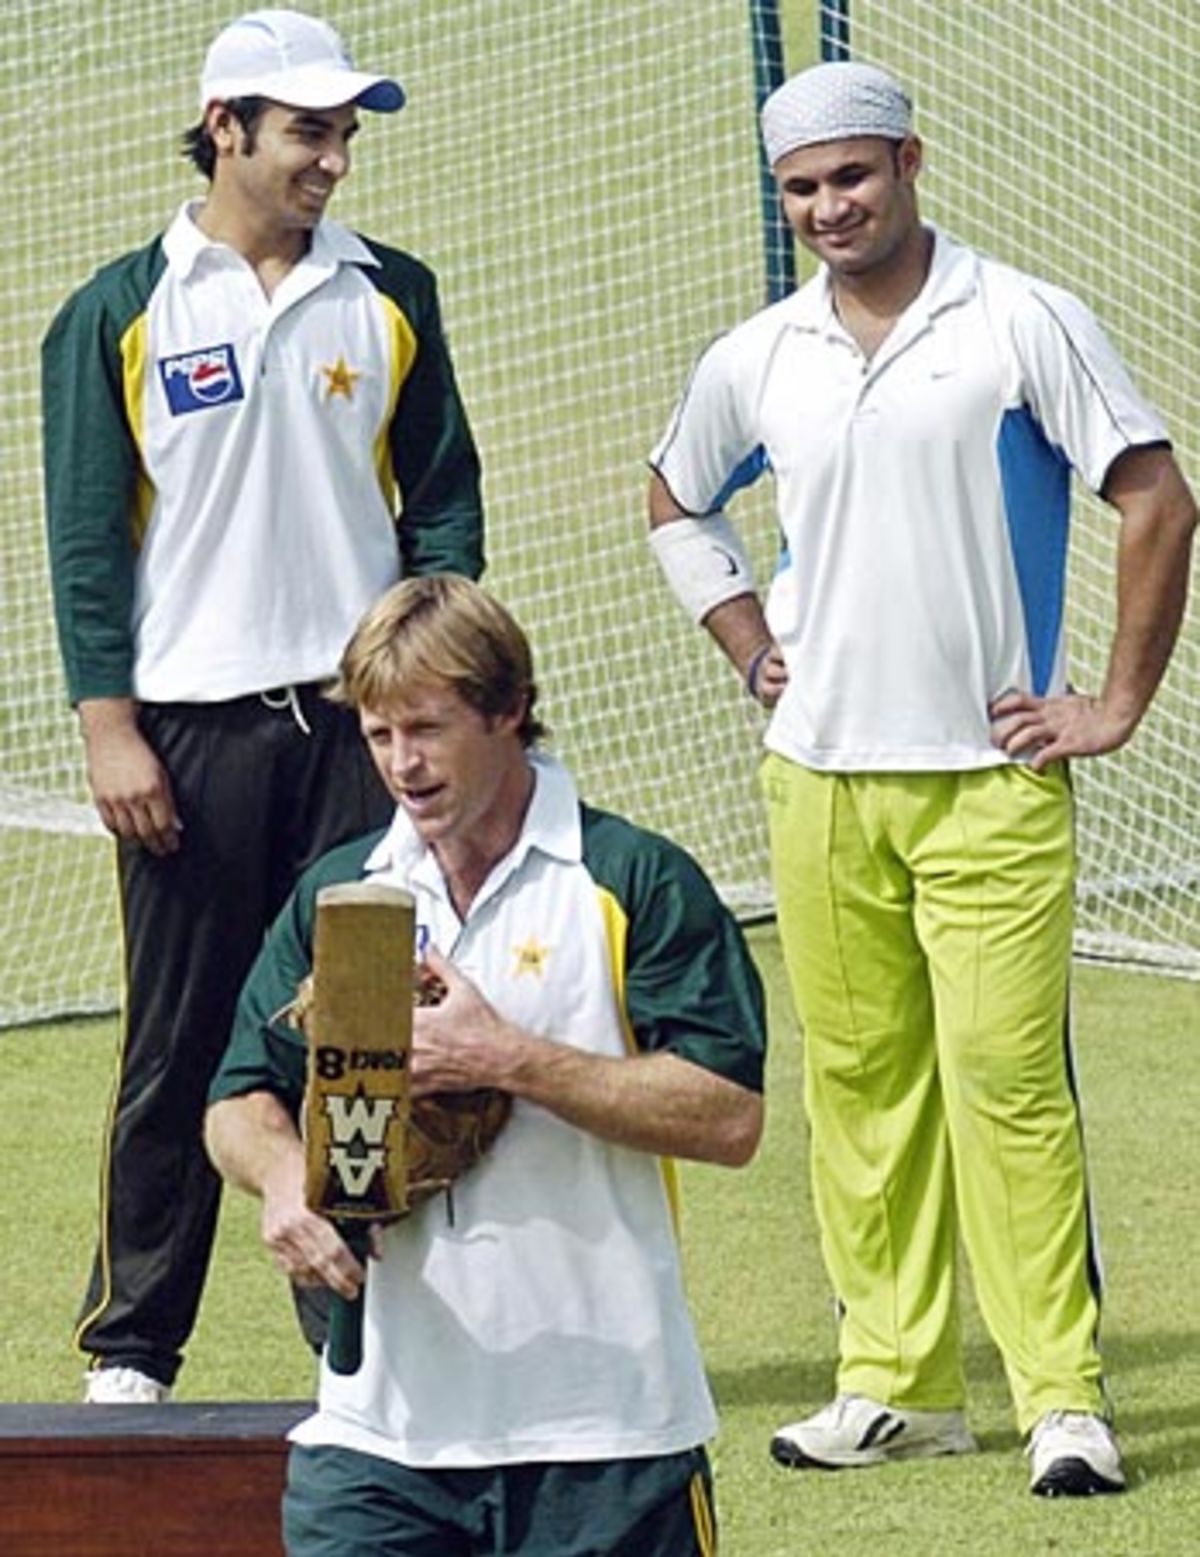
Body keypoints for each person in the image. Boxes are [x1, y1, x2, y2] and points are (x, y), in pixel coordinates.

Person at [647, 60, 1196, 1499]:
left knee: (1009, 1086)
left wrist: (1116, 703)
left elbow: (1155, 493)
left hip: (992, 780)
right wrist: (746, 639)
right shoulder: (759, 353)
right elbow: (674, 496)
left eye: (852, 176)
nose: (830, 207)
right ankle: (893, 1383)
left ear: (910, 160)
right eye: (802, 188)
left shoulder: (1019, 319)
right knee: (864, 1083)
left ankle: (1062, 1397)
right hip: (818, 779)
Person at [41, 9, 484, 1404]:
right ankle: (131, 1350)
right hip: (188, 738)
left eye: (347, 133)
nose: (336, 160)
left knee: (355, 1043)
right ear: (225, 124)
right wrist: (111, 726)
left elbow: (444, 494)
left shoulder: (393, 290)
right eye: (309, 132)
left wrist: (436, 685)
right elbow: (84, 541)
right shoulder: (118, 309)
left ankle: (358, 1342)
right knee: (178, 1042)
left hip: (364, 736)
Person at [204, 574, 766, 1555]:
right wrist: (282, 1177)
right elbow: (236, 1095)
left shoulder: (630, 882)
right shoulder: (345, 894)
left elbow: (728, 1117)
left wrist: (507, 1058)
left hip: (608, 1440)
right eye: (379, 737)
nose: (402, 765)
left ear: (509, 709)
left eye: (426, 729)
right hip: (377, 1441)